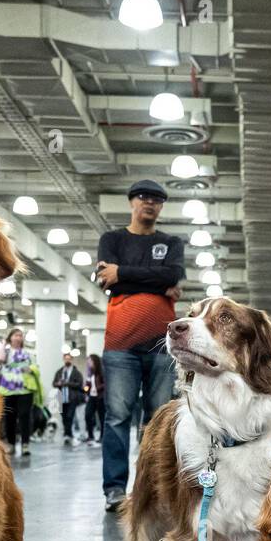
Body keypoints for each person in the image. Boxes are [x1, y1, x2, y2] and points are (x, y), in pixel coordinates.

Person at [97, 178, 185, 511]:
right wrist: (154, 278)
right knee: (117, 417)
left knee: (158, 418)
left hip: (161, 345)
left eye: (157, 200)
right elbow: (107, 277)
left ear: (161, 207)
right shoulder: (113, 239)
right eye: (144, 198)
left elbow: (172, 276)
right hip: (120, 341)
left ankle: (155, 488)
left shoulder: (171, 242)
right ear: (132, 202)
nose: (149, 203)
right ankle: (115, 489)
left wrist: (125, 275)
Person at [0, 328, 43, 457]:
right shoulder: (6, 352)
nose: (18, 338)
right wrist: (3, 344)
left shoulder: (28, 353)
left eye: (20, 336)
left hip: (25, 390)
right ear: (10, 338)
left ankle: (25, 444)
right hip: (8, 390)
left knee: (24, 417)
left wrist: (31, 369)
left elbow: (36, 368)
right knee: (9, 418)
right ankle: (11, 444)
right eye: (16, 335)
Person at [52, 352, 85, 446]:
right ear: (63, 359)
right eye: (66, 358)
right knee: (64, 417)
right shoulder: (60, 372)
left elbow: (79, 384)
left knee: (70, 416)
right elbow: (54, 383)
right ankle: (68, 434)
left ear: (72, 360)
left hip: (72, 398)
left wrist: (68, 383)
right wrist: (58, 384)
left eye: (69, 359)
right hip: (61, 398)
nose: (67, 360)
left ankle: (67, 435)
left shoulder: (76, 372)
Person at [83, 353, 105, 446]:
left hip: (100, 397)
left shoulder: (102, 372)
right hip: (92, 397)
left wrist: (98, 387)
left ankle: (102, 437)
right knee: (88, 415)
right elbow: (88, 385)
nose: (89, 362)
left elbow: (106, 384)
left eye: (90, 361)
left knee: (102, 417)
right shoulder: (90, 373)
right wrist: (86, 388)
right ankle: (90, 436)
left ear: (95, 361)